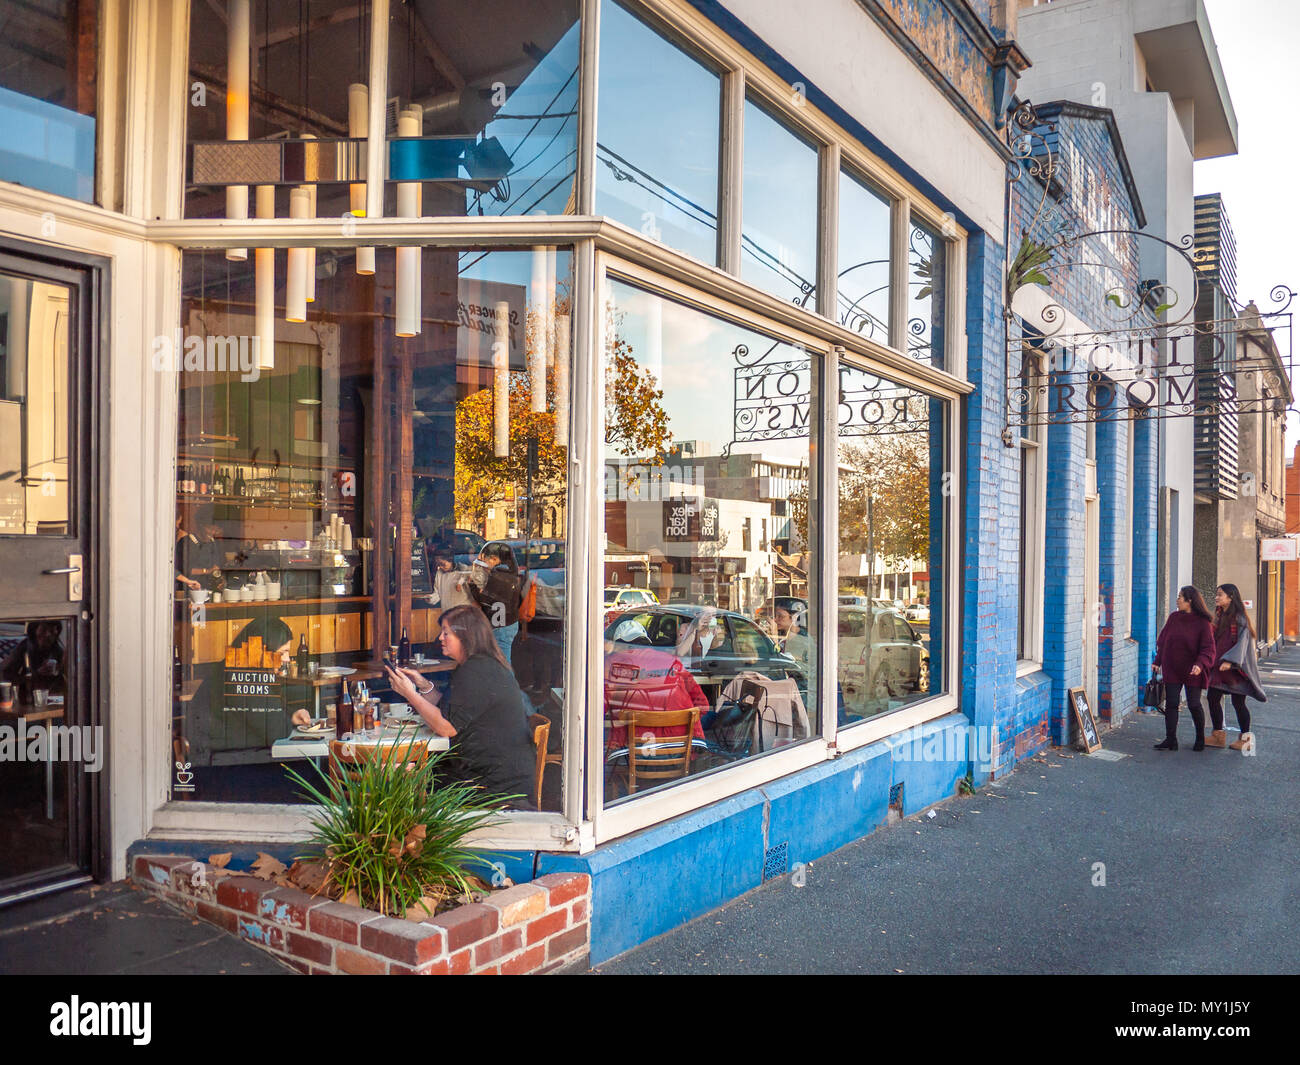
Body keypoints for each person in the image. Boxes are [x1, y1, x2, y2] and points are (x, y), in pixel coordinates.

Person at [385, 604, 536, 810]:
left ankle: (411, 837)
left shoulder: (476, 670)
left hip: (489, 787)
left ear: (465, 636)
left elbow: (446, 727)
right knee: (401, 770)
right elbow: (451, 710)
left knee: (391, 772)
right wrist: (422, 685)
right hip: (497, 777)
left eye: (446, 633)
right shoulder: (482, 665)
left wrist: (410, 694)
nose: (440, 638)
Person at [1152, 586, 1216, 751]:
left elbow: (1208, 648)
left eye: (1180, 597)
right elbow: (1164, 641)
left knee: (1194, 703)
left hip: (1193, 669)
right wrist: (1157, 661)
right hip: (1172, 666)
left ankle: (1200, 738)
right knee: (1172, 703)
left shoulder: (1203, 623)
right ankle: (1171, 739)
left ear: (1190, 601)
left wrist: (1200, 664)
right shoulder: (1174, 618)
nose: (1177, 600)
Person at [1205, 583, 1267, 751]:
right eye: (1217, 594)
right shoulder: (1220, 615)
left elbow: (1243, 642)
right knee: (1212, 697)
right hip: (1219, 667)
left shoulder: (1239, 618)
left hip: (1235, 670)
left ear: (1230, 597)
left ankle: (1246, 740)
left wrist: (1230, 661)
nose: (1216, 597)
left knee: (1238, 703)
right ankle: (1218, 736)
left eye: (1220, 594)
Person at [470, 543, 523, 667]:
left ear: (494, 559)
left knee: (502, 663)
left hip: (501, 625)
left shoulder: (499, 577)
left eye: (485, 559)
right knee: (500, 660)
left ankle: (507, 685)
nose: (484, 563)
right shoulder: (507, 574)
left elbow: (484, 599)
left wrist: (473, 587)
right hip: (506, 623)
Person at [429, 545, 475, 611]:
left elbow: (472, 596)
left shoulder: (463, 570)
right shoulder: (439, 573)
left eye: (442, 564)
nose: (440, 567)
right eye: (438, 564)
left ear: (450, 559)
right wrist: (430, 598)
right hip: (447, 612)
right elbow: (437, 594)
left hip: (463, 612)